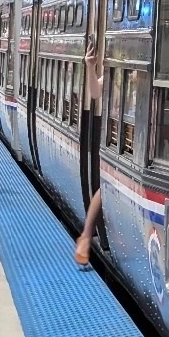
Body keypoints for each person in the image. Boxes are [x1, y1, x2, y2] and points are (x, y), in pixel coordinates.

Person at [75, 41, 103, 266]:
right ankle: (86, 236)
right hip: (116, 135)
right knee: (104, 190)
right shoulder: (118, 73)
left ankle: (85, 237)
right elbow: (95, 93)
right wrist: (90, 66)